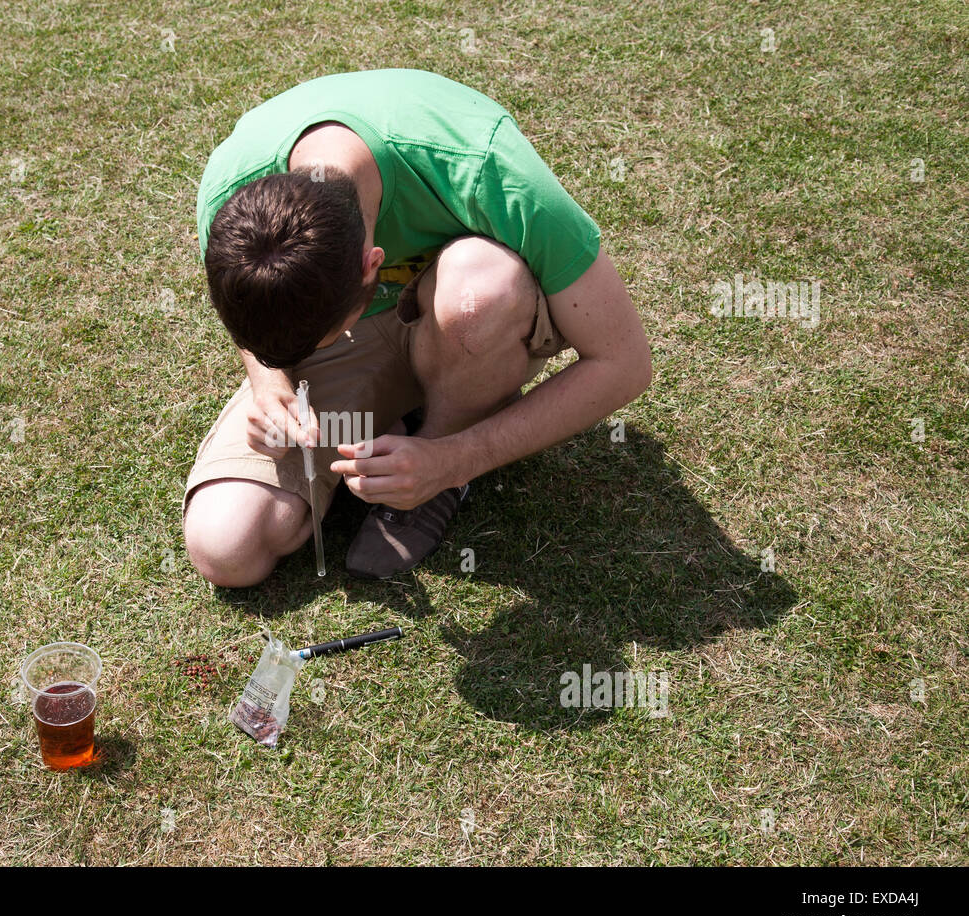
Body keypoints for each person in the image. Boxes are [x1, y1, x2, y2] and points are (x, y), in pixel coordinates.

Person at [184, 69, 651, 585]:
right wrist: (270, 383)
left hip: (469, 328)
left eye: (316, 342)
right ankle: (397, 430)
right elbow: (259, 332)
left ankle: (442, 444)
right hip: (365, 325)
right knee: (226, 546)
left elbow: (623, 363)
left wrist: (451, 461)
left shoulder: (484, 165)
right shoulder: (236, 195)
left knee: (480, 287)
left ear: (373, 264)